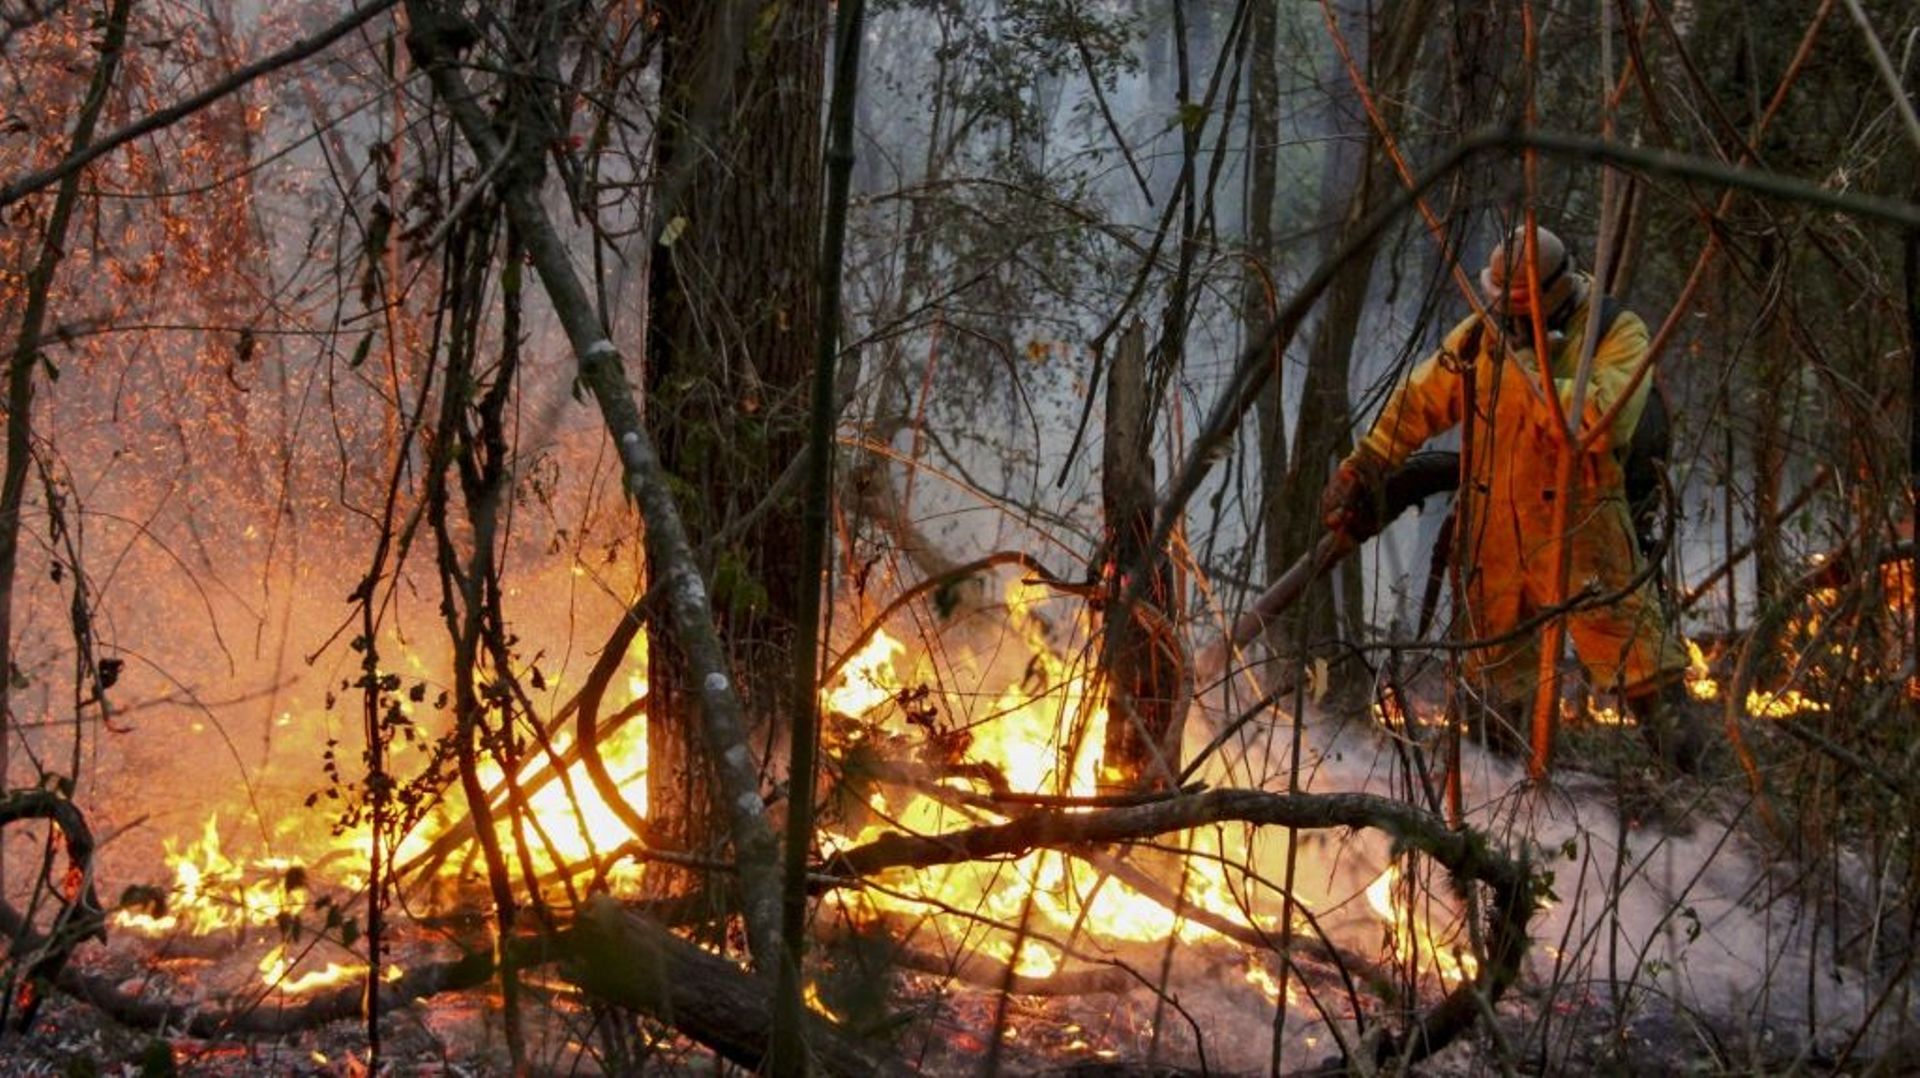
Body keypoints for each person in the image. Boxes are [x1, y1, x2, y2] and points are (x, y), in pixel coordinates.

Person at [1320, 223, 1706, 771]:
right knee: (1494, 686)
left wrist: (1531, 373)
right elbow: (1420, 400)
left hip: (1586, 532)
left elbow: (1601, 421)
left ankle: (1694, 797)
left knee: (1645, 670)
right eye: (1505, 308)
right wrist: (1366, 463)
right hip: (1496, 534)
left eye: (1521, 311)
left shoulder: (1614, 331)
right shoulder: (1481, 338)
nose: (1511, 320)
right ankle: (1495, 815)